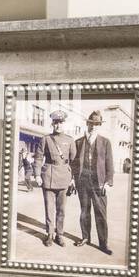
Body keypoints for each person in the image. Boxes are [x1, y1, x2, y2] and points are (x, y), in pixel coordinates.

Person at [70, 109, 115, 256]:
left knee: (101, 213)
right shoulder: (79, 142)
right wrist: (72, 180)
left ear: (99, 125)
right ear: (87, 123)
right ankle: (85, 238)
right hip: (82, 182)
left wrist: (108, 182)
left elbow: (110, 164)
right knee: (84, 212)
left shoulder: (105, 142)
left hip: (99, 184)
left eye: (96, 124)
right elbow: (74, 164)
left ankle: (103, 244)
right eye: (91, 123)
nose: (93, 126)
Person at [34, 109, 75, 247]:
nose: (58, 125)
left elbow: (74, 161)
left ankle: (60, 235)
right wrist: (37, 174)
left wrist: (73, 178)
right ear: (52, 124)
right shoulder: (45, 139)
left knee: (61, 209)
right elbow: (38, 158)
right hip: (48, 177)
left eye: (61, 122)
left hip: (64, 177)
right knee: (49, 208)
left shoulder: (70, 140)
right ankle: (50, 234)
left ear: (64, 124)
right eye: (56, 123)